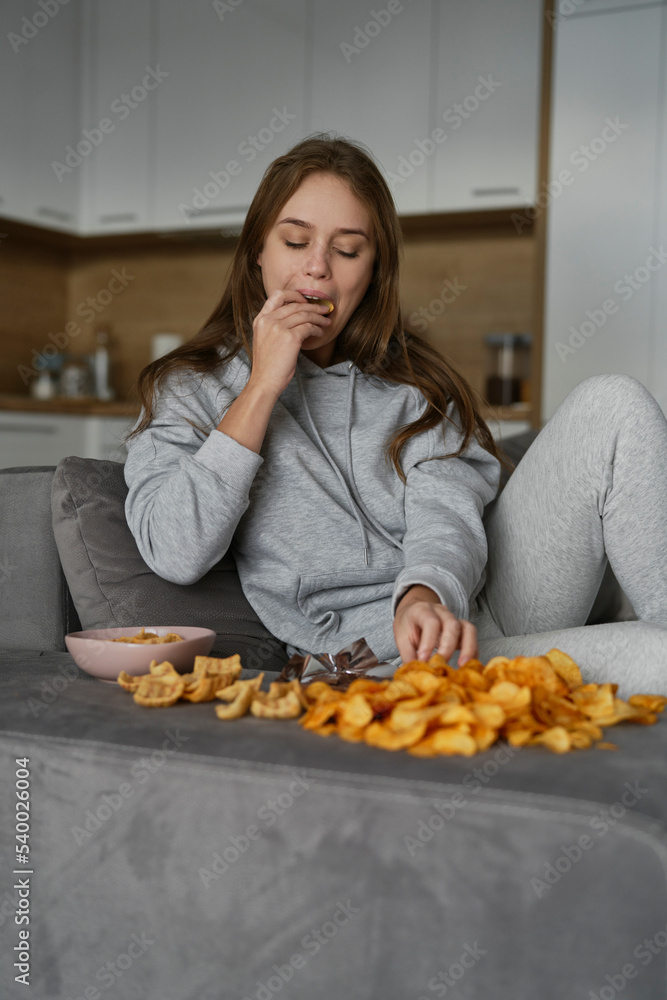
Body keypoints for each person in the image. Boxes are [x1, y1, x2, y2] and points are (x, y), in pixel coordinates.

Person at [124, 134, 667, 696]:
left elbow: (446, 509)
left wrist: (424, 594)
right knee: (657, 660)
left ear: (373, 268)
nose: (316, 269)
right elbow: (175, 550)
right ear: (257, 250)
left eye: (348, 250)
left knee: (613, 402)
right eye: (294, 241)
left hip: (480, 603)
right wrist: (261, 386)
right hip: (373, 662)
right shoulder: (190, 387)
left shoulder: (414, 384)